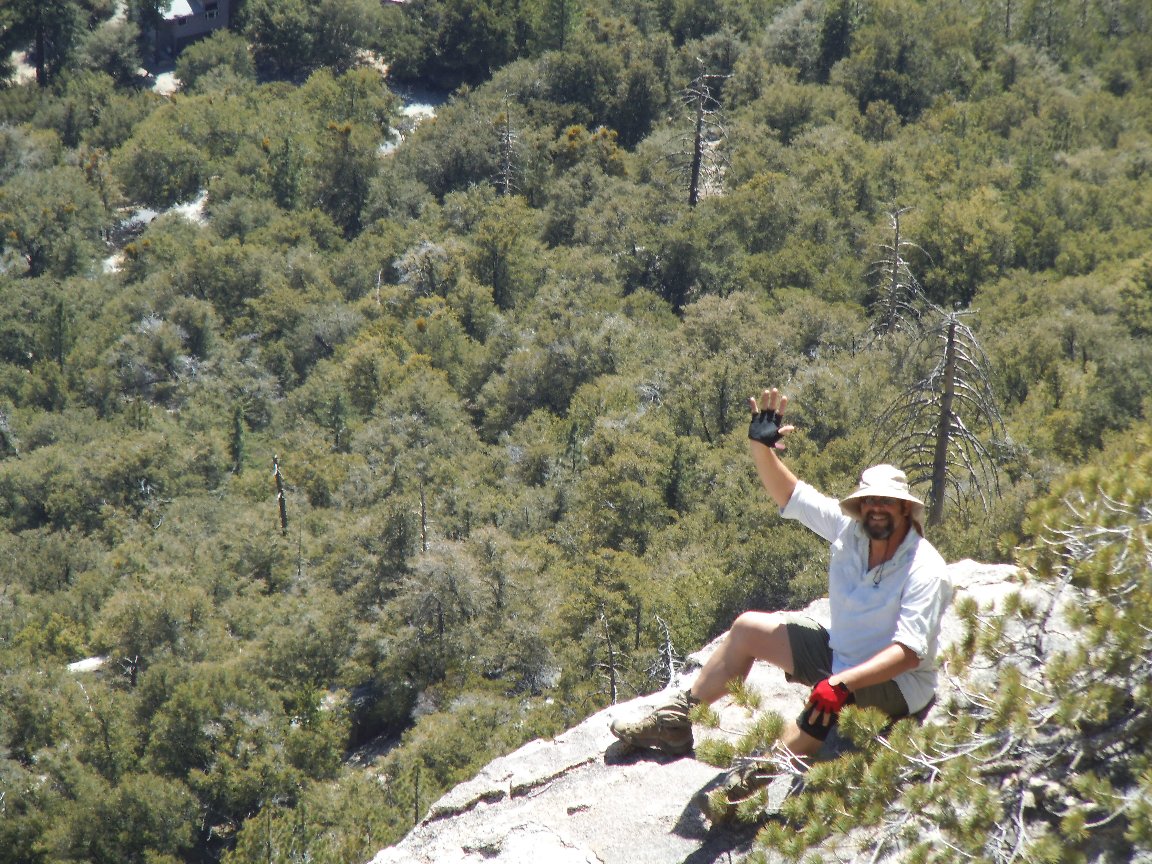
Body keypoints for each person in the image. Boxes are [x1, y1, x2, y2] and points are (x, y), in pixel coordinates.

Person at [609, 386, 953, 806]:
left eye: (888, 502)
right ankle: (678, 718)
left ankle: (756, 777)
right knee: (748, 629)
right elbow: (790, 494)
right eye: (870, 501)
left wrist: (839, 682)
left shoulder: (924, 567)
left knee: (822, 702)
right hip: (840, 659)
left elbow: (909, 653)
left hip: (898, 686)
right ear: (860, 506)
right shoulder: (850, 533)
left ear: (905, 510)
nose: (877, 508)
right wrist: (760, 447)